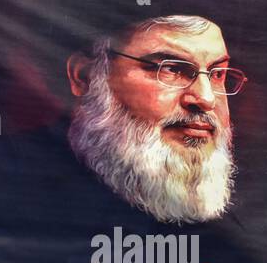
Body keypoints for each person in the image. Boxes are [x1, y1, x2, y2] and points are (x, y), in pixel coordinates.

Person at [65, 14, 245, 225]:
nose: (206, 99)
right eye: (171, 69)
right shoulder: (28, 201)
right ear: (85, 76)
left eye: (217, 74)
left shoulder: (231, 241)